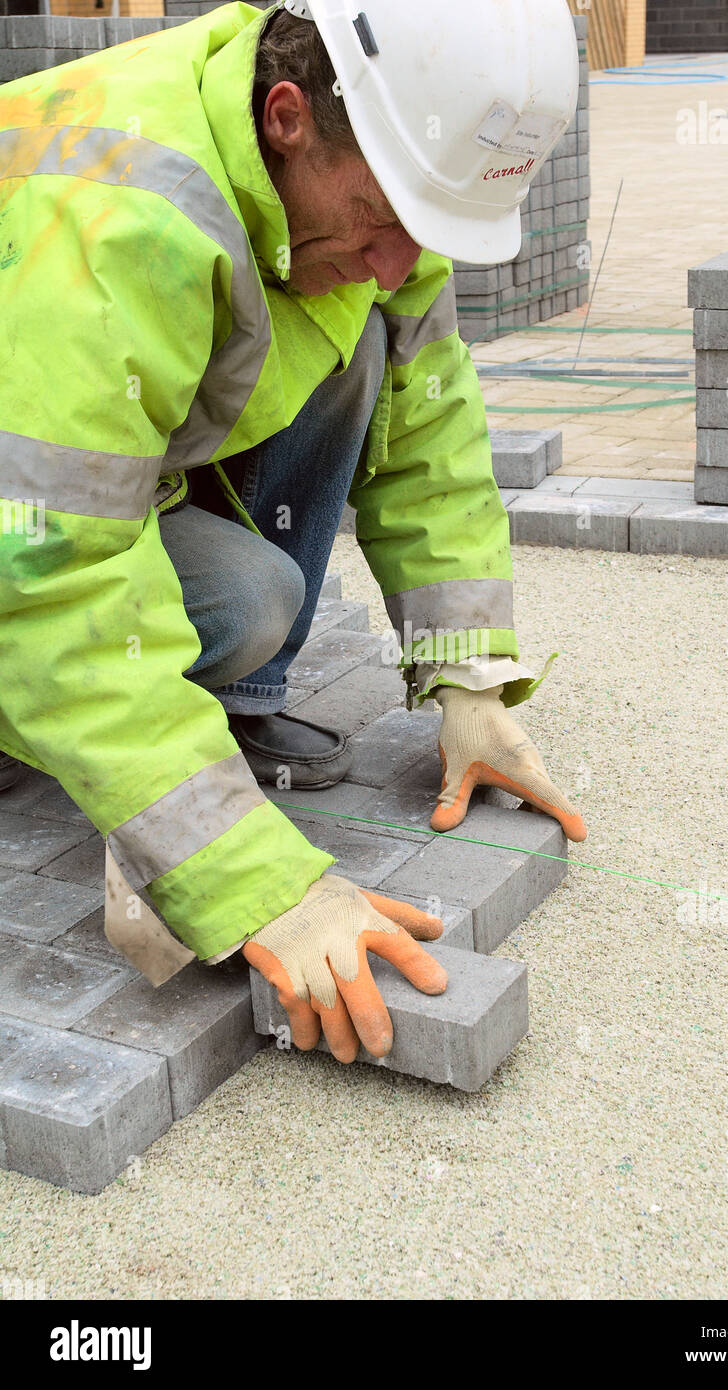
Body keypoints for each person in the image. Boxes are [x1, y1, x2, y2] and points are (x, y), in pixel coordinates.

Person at [0, 0, 586, 1064]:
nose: (404, 261)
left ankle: (209, 716)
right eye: (385, 218)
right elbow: (49, 567)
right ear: (286, 118)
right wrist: (247, 878)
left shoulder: (381, 170)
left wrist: (469, 679)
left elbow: (429, 420)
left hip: (53, 468)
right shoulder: (115, 221)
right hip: (20, 504)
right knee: (190, 614)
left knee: (353, 334)